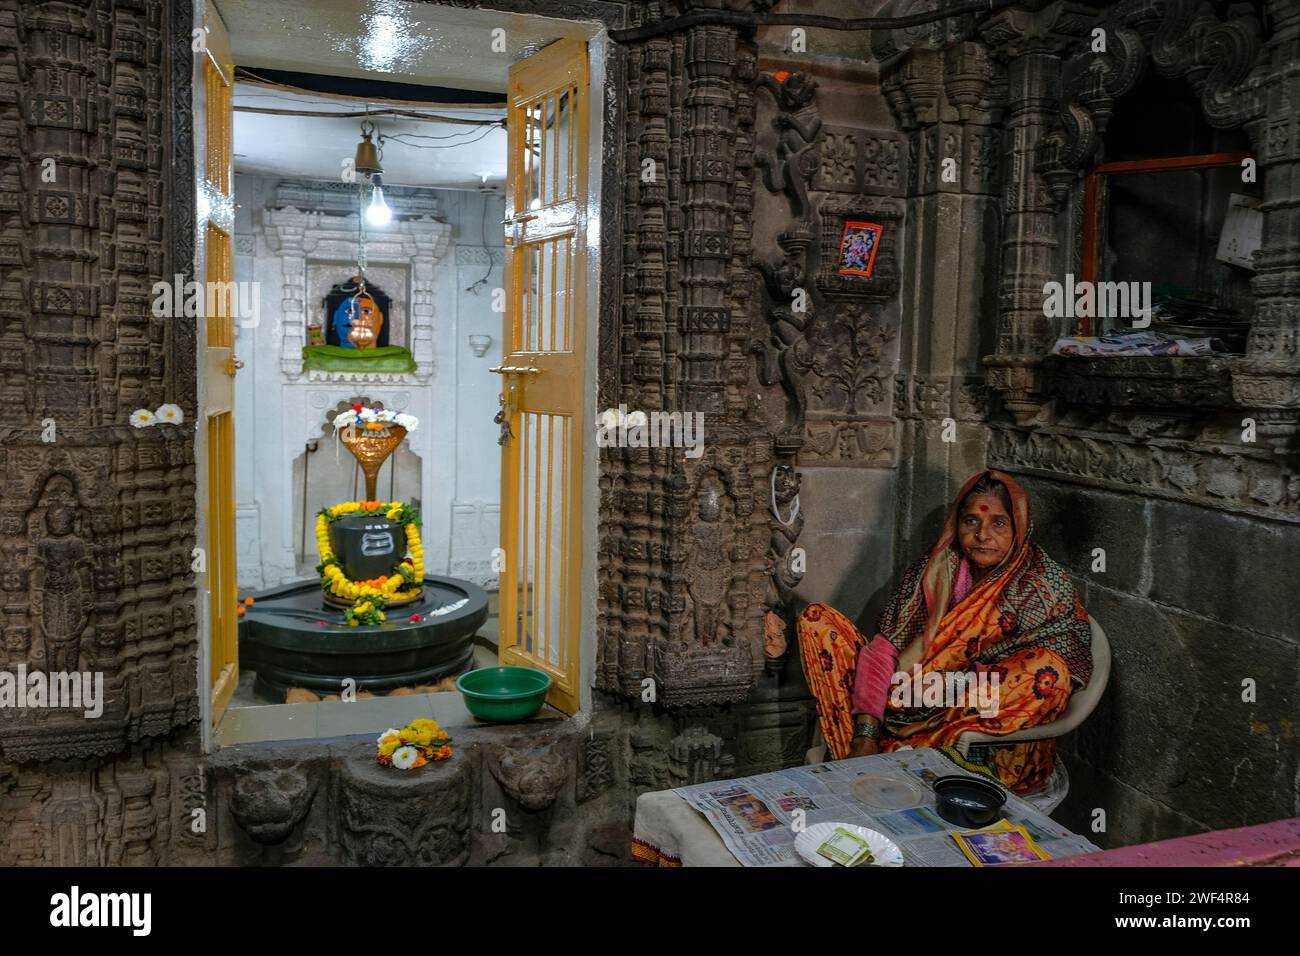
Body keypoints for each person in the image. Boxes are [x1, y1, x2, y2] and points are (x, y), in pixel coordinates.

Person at [797, 470, 1093, 793]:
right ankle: (869, 752)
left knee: (1047, 672)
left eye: (998, 523)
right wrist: (866, 731)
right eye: (971, 522)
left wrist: (953, 682)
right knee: (817, 622)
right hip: (903, 703)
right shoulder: (937, 569)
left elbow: (1065, 662)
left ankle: (910, 759)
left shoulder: (1040, 584)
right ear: (957, 523)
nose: (982, 535)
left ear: (1019, 526)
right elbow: (884, 648)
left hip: (978, 721)